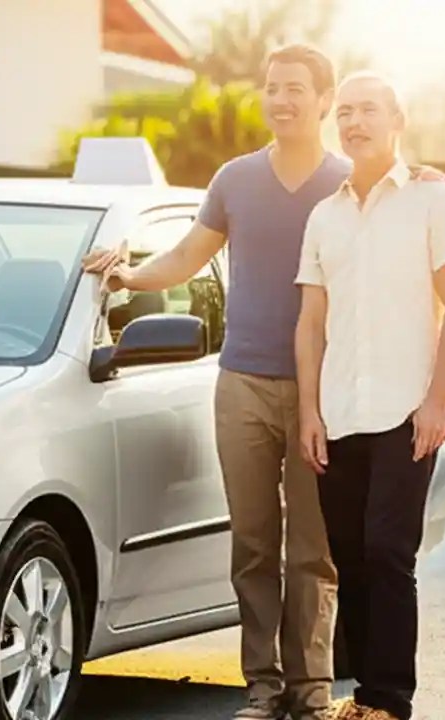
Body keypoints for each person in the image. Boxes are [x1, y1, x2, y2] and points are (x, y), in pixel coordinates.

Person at [84, 43, 350, 720]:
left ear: (323, 99)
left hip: (327, 393)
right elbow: (185, 254)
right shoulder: (235, 180)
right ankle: (262, 687)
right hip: (244, 387)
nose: (281, 100)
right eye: (271, 88)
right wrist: (128, 275)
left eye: (295, 88)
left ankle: (312, 690)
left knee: (313, 549)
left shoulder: (349, 184)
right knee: (254, 542)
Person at [294, 71, 445, 720]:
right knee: (349, 556)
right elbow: (310, 324)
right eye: (344, 111)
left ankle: (388, 702)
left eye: (368, 109)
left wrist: (439, 399)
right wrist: (308, 411)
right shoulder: (324, 216)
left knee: (388, 552)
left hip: (407, 410)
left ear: (397, 118)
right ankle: (364, 699)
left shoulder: (435, 201)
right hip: (338, 413)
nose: (354, 121)